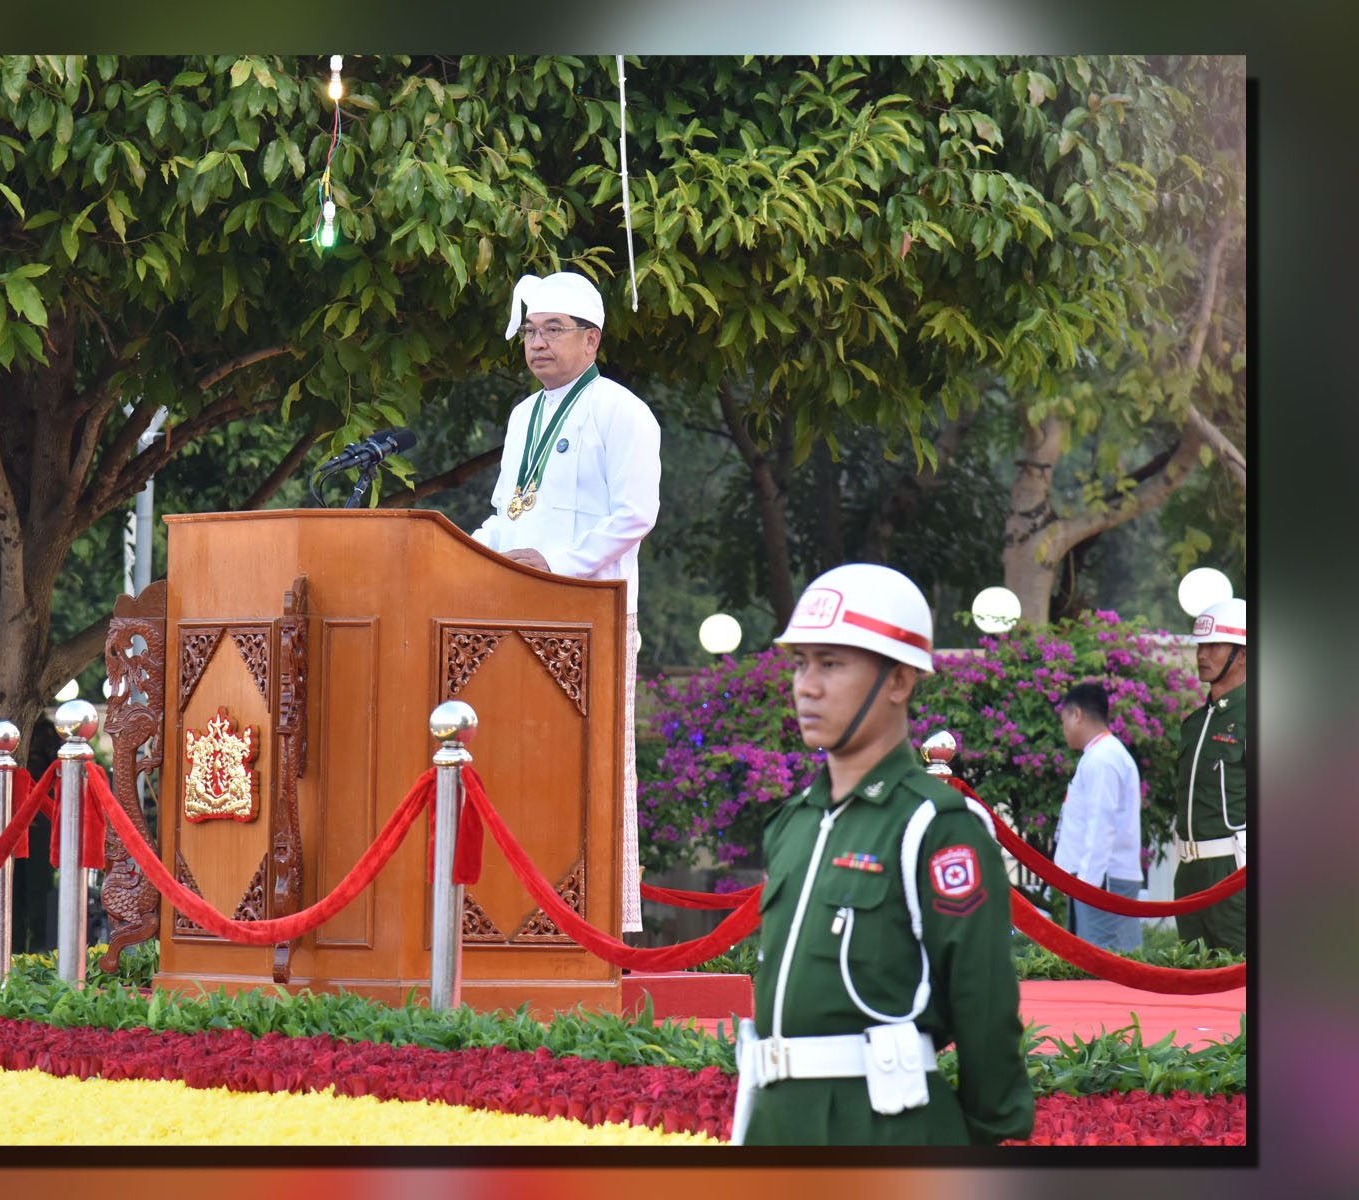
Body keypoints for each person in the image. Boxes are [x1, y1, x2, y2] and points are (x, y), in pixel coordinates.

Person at [732, 563, 1033, 1145]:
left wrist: (989, 1131)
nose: (807, 685)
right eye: (801, 662)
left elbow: (984, 1000)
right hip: (775, 1122)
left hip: (881, 1126)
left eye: (833, 663)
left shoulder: (935, 825)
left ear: (899, 681)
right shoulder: (793, 823)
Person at [471, 270, 660, 933]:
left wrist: (555, 564)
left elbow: (635, 516)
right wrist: (470, 555)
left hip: (592, 616)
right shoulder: (525, 415)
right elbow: (505, 515)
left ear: (592, 339)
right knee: (518, 760)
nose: (538, 344)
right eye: (530, 330)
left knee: (593, 765)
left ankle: (603, 916)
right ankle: (517, 911)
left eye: (553, 330)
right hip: (517, 616)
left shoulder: (622, 410)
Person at [1172, 596, 1247, 954]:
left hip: (1235, 871)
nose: (1202, 654)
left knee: (1239, 983)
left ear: (1244, 654)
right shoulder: (1196, 723)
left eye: (1215, 645)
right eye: (1202, 645)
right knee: (1193, 984)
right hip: (1189, 871)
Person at [1053, 681, 1144, 953]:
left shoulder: (1102, 758)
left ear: (1076, 714)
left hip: (1101, 882)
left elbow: (1100, 826)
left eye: (1064, 719)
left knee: (1102, 971)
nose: (1064, 728)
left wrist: (1087, 888)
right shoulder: (1100, 754)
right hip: (1099, 880)